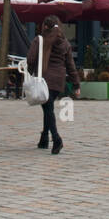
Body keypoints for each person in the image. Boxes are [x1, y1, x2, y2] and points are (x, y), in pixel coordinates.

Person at [29, 15, 77, 155]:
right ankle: (44, 138)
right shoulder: (65, 43)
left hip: (44, 80)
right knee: (47, 107)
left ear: (44, 27)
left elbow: (30, 58)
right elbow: (70, 65)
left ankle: (56, 139)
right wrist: (76, 84)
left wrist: (30, 71)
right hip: (58, 81)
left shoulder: (40, 40)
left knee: (48, 109)